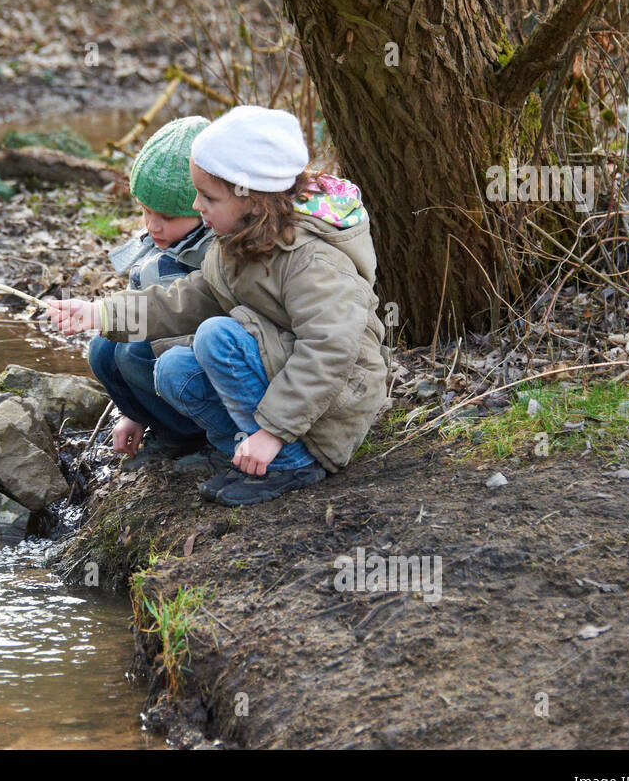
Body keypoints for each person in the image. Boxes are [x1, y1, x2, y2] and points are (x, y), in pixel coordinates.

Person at [48, 105, 388, 506]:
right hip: (284, 379)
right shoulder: (239, 242)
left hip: (333, 401)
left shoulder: (311, 261)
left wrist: (274, 432)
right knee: (174, 369)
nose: (197, 205)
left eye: (207, 196)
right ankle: (243, 459)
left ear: (253, 197)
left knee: (217, 335)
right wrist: (103, 314)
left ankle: (289, 462)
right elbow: (189, 298)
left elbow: (330, 351)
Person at [87, 116, 213, 464]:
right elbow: (135, 300)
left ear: (204, 207)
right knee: (103, 345)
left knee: (133, 351)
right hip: (165, 360)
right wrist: (133, 412)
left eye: (168, 217)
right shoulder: (156, 245)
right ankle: (160, 424)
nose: (153, 226)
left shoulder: (216, 250)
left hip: (199, 369)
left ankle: (195, 436)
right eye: (145, 211)